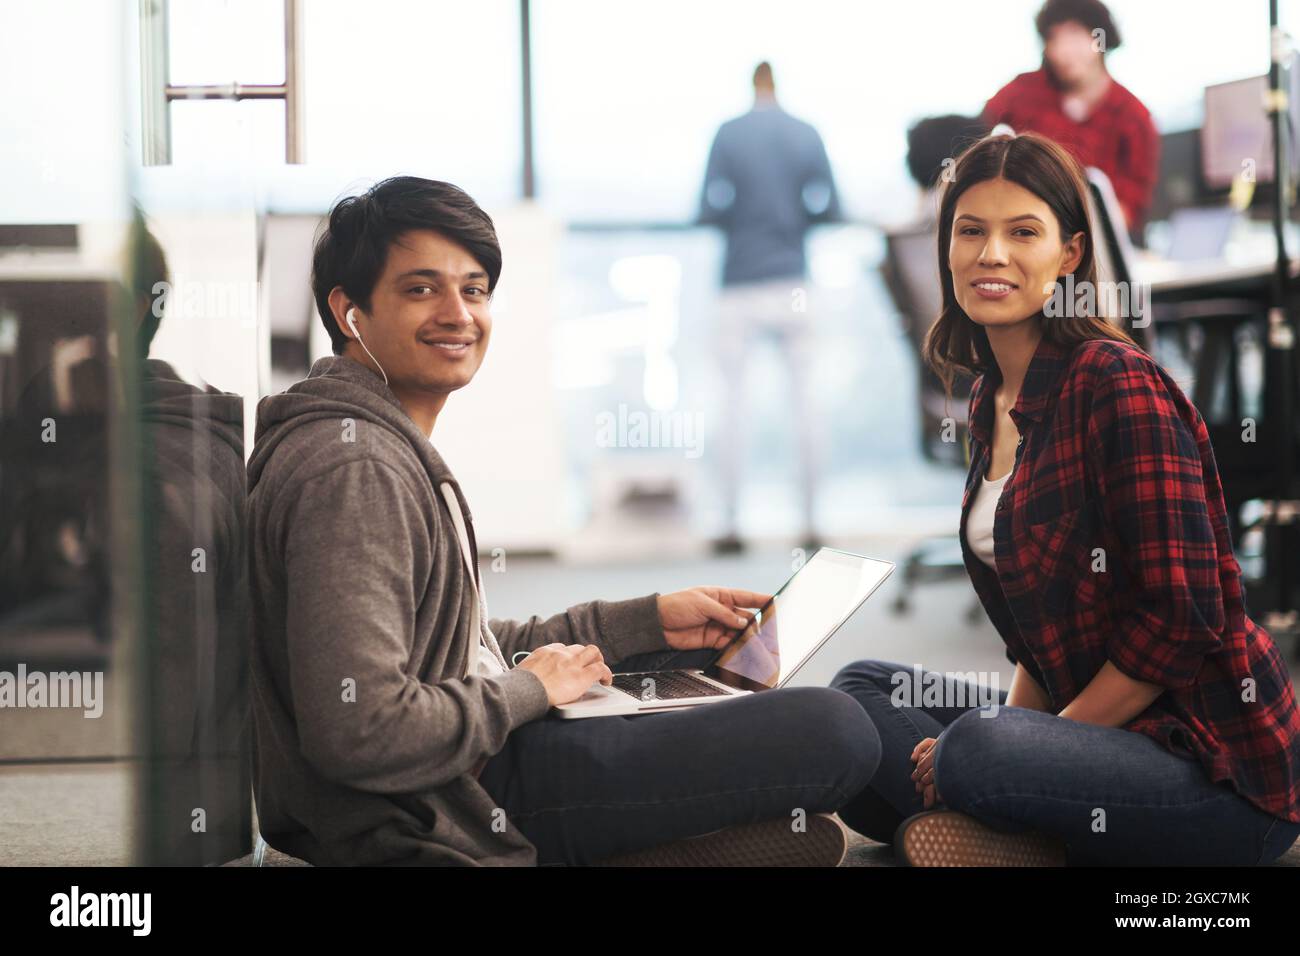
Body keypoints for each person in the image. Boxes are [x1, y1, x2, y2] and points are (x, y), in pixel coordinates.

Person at [247, 176, 879, 866]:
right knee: (837, 725)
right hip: (457, 801)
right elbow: (359, 730)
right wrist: (530, 690)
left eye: (475, 288)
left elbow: (454, 650)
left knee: (706, 664)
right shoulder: (354, 470)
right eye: (421, 288)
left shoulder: (369, 441)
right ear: (350, 312)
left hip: (469, 763)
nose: (458, 313)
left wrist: (645, 621)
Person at [829, 132, 1300, 866]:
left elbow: (1183, 621)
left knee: (976, 750)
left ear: (1070, 254)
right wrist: (1021, 749)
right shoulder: (992, 396)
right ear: (945, 246)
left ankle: (999, 824)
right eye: (971, 231)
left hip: (1212, 770)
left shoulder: (1117, 384)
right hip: (1087, 736)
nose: (992, 255)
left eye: (1023, 233)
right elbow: (1037, 628)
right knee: (856, 702)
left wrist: (1018, 751)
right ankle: (1005, 832)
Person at [698, 61, 841, 553]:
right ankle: (811, 521)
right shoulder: (805, 133)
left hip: (739, 281)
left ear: (750, 85)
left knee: (733, 405)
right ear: (777, 86)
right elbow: (832, 206)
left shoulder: (728, 133)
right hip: (794, 283)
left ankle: (731, 524)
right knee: (805, 404)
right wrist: (794, 217)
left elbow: (708, 207)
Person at [982, 0, 1158, 235]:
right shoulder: (1021, 93)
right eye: (1053, 38)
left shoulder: (1133, 116)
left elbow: (1129, 211)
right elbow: (978, 145)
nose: (1062, 50)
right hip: (1017, 233)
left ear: (1100, 37)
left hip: (1091, 242)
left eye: (1074, 35)